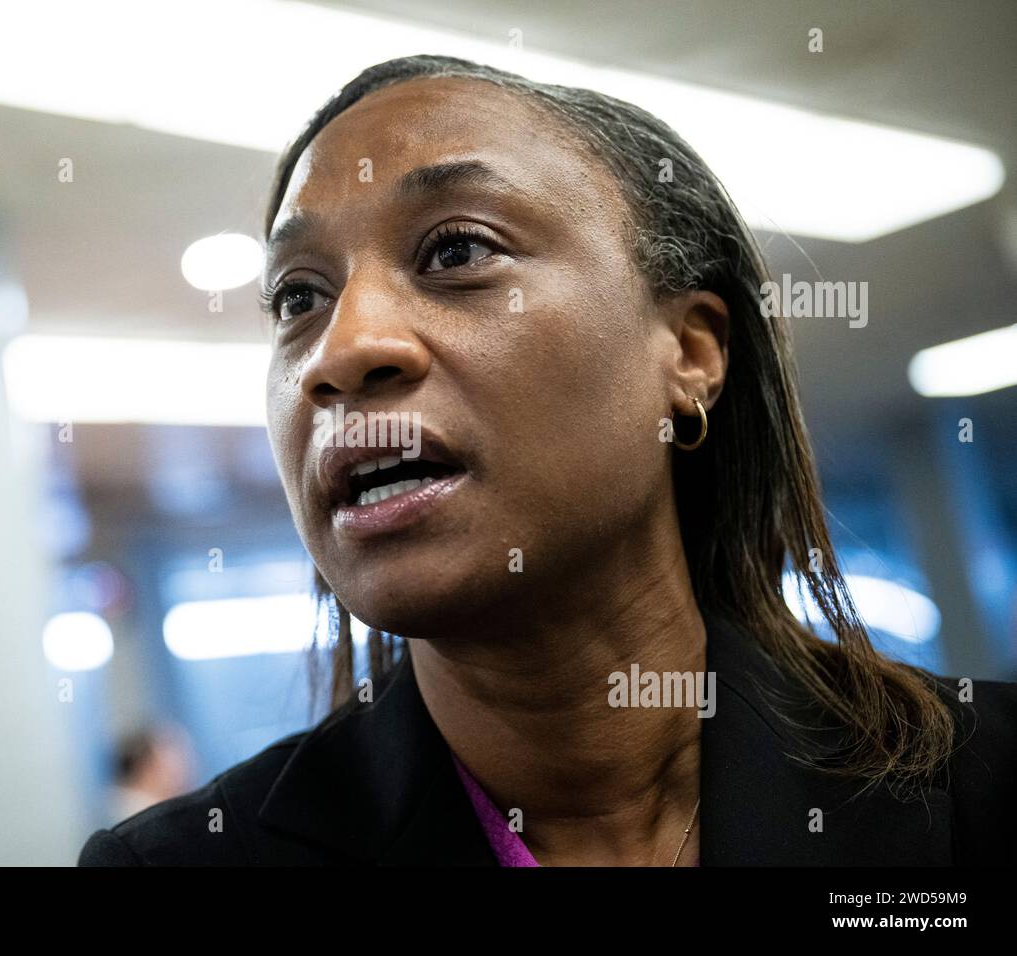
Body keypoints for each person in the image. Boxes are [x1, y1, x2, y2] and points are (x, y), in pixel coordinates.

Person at [80, 54, 1016, 866]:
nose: (340, 349)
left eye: (456, 249)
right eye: (296, 299)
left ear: (688, 354)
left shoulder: (986, 789)